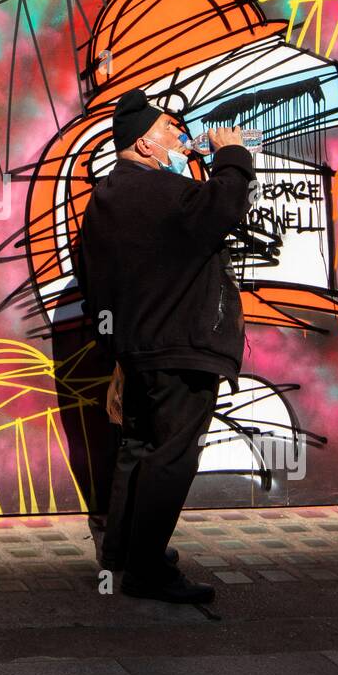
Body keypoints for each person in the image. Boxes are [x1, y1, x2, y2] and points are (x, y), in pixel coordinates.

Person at [73, 88, 255, 605]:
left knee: (138, 447)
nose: (180, 137)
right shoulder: (161, 192)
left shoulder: (108, 197)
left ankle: (123, 553)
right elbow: (224, 206)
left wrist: (117, 354)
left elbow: (93, 281)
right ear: (144, 145)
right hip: (180, 347)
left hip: (139, 350)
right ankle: (147, 570)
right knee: (172, 456)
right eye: (169, 130)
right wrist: (232, 155)